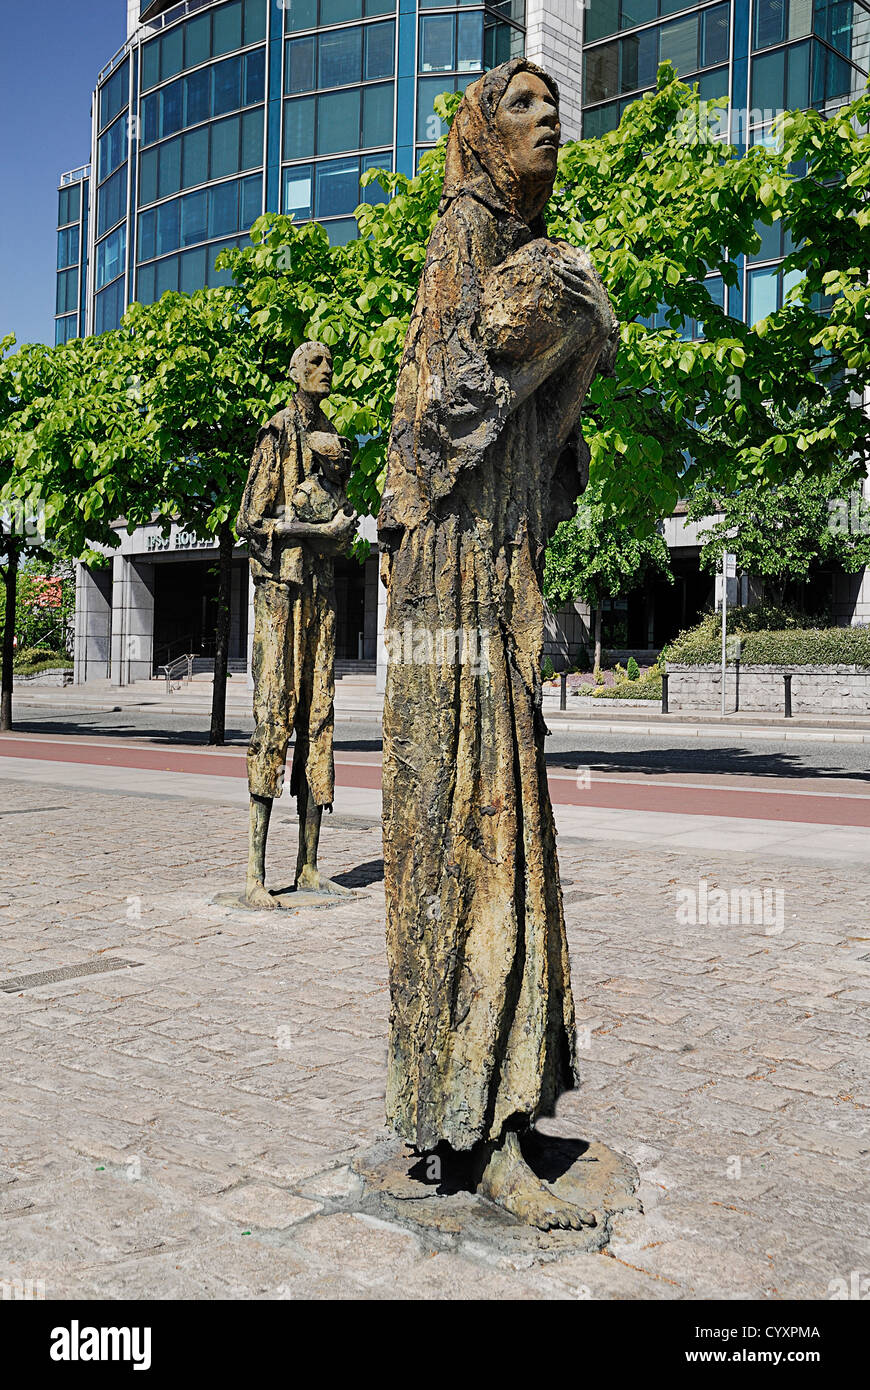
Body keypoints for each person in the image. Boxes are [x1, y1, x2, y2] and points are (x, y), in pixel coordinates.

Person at [377, 60, 619, 1228]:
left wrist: (566, 316)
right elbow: (435, 416)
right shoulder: (464, 232)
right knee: (476, 828)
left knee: (496, 821)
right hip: (451, 590)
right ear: (481, 133)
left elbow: (521, 419)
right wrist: (556, 300)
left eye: (554, 106)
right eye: (522, 106)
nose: (548, 121)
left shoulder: (510, 242)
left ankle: (487, 1109)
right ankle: (478, 1125)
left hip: (487, 583)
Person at [237, 341, 357, 909]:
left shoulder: (333, 439)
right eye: (314, 363)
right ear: (294, 372)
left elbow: (340, 516)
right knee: (273, 712)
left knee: (319, 715)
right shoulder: (277, 432)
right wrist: (313, 534)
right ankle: (255, 876)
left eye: (330, 363)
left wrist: (339, 531)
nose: (325, 370)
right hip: (280, 595)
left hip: (321, 595)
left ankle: (308, 865)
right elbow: (248, 521)